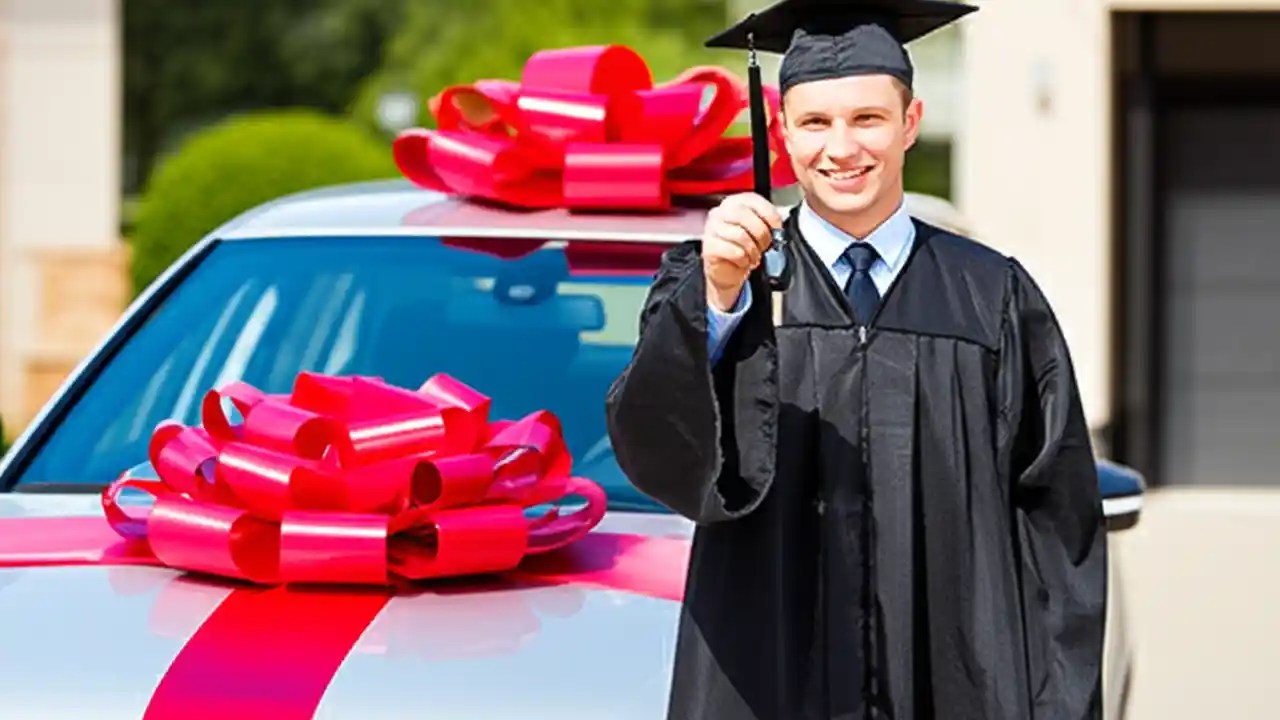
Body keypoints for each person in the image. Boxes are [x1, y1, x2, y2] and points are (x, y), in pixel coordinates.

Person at [604, 0, 1108, 718]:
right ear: (782, 133)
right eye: (815, 122)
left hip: (952, 681)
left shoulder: (993, 297)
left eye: (867, 118)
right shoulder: (722, 281)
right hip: (767, 677)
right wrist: (716, 300)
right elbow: (658, 449)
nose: (841, 148)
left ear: (910, 122)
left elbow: (1059, 526)